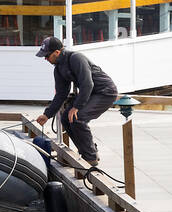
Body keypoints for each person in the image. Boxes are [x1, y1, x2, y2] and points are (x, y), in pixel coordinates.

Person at [33, 35, 120, 166]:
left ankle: (90, 157)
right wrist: (47, 114)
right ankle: (87, 150)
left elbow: (87, 84)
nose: (45, 59)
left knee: (78, 117)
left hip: (105, 92)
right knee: (66, 119)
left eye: (47, 56)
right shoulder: (58, 69)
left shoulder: (76, 58)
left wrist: (77, 106)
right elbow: (61, 94)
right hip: (90, 93)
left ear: (57, 52)